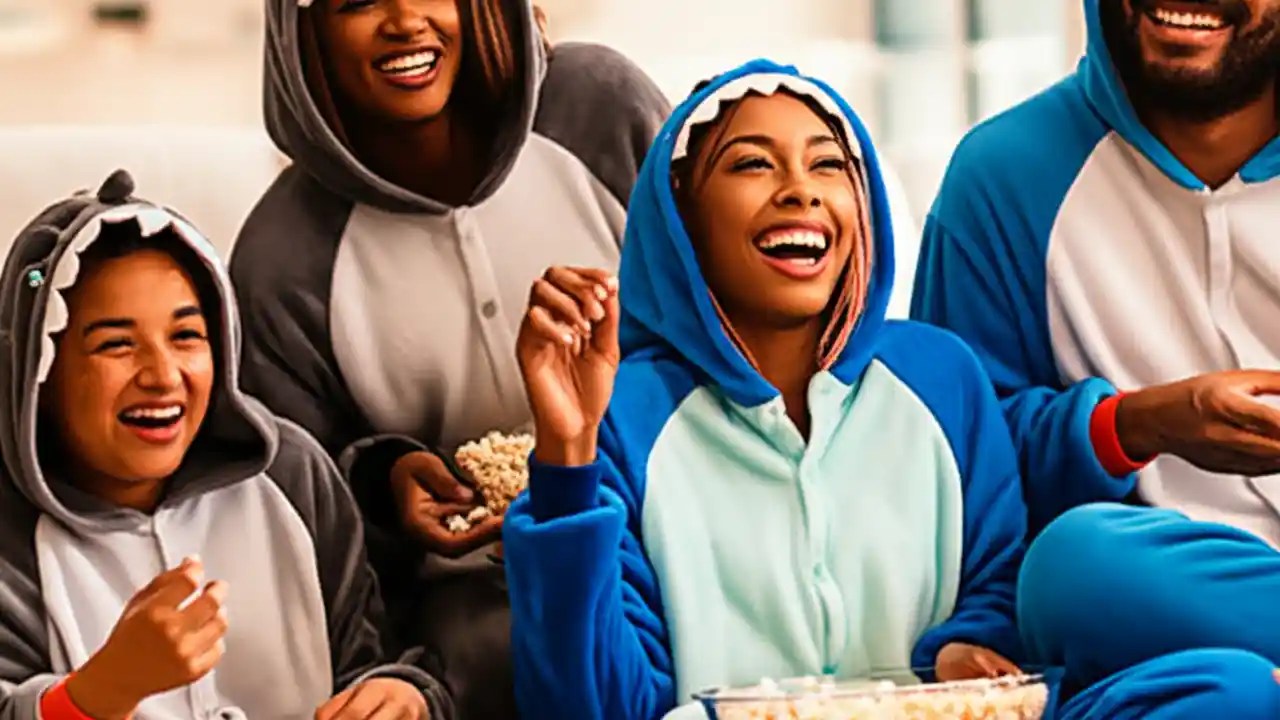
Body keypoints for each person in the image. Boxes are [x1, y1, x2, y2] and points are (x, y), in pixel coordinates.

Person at [502, 59, 1035, 720]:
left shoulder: (942, 379)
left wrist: (965, 648)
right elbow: (590, 707)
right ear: (680, 214)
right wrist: (566, 450)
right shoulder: (625, 417)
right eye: (753, 164)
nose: (800, 191)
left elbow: (999, 581)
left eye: (829, 165)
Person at [230, 0, 669, 716]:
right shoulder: (284, 261)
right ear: (300, 29)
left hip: (673, 553)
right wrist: (387, 479)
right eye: (357, 2)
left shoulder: (600, 110)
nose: (405, 20)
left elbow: (728, 313)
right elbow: (299, 524)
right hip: (468, 632)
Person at [911, 0, 1280, 713]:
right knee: (1074, 565)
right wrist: (1134, 426)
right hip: (1149, 609)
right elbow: (950, 471)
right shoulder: (1002, 176)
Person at [0, 170, 452, 720]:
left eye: (188, 335)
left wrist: (406, 695)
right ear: (37, 377)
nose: (163, 376)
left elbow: (375, 656)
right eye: (116, 344)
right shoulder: (13, 540)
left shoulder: (292, 473)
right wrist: (102, 690)